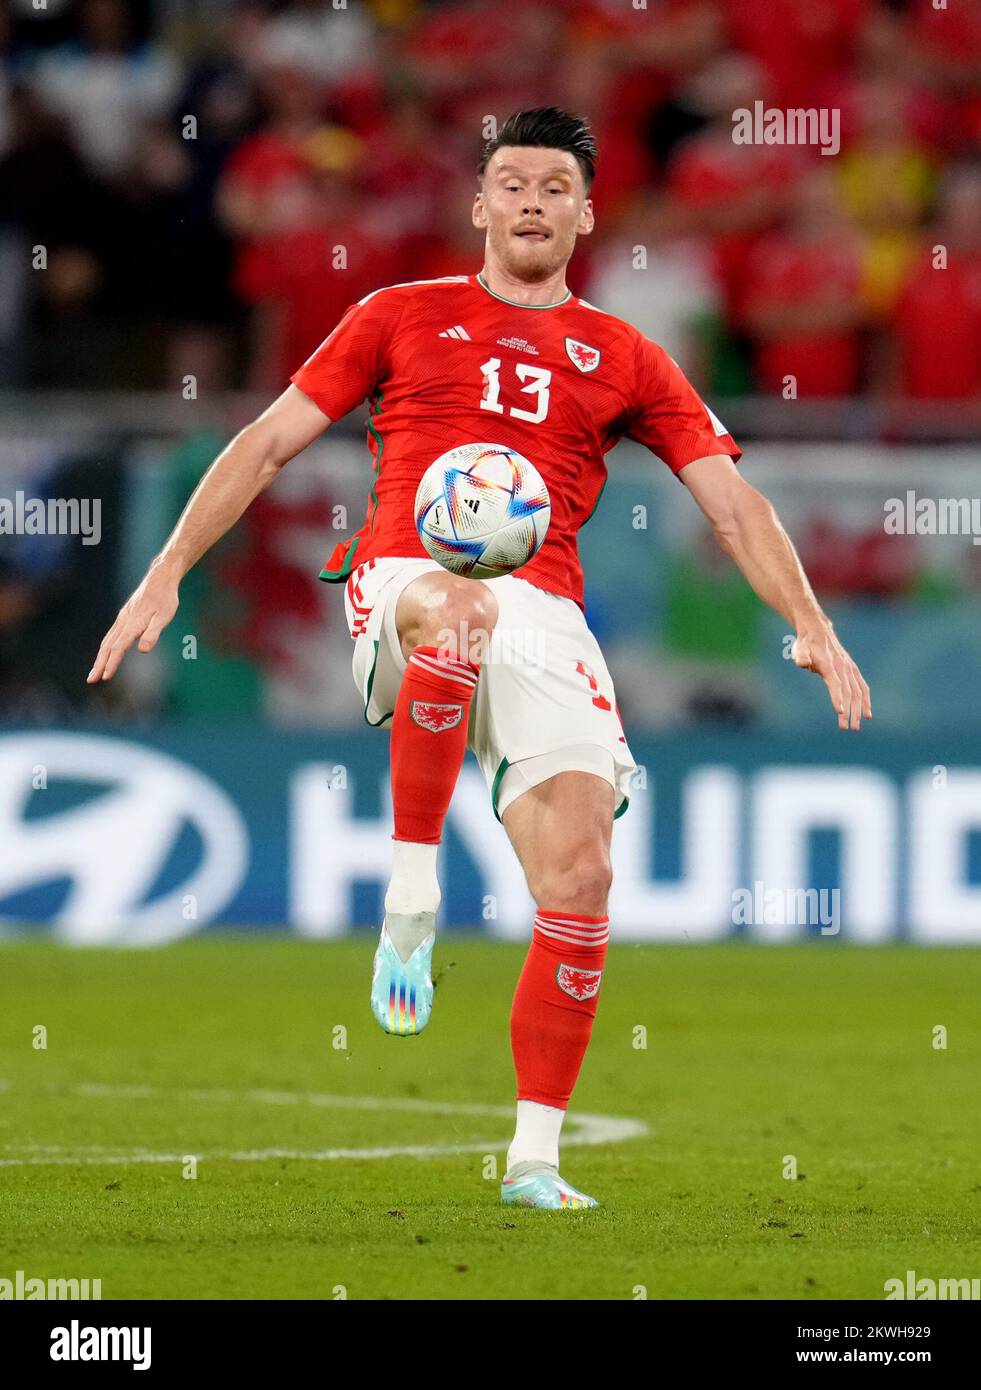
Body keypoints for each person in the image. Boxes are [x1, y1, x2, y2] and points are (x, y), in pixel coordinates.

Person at [87, 108, 871, 1211]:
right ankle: (413, 894)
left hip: (547, 609)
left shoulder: (627, 356)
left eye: (557, 186)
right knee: (459, 613)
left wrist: (812, 621)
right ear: (481, 205)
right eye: (513, 183)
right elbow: (265, 442)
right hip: (411, 575)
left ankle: (534, 1159)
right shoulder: (398, 314)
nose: (534, 202)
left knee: (583, 878)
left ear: (588, 212)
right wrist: (168, 570)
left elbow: (730, 501)